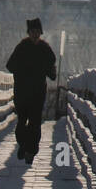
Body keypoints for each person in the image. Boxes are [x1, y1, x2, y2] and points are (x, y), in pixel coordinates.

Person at [5, 18, 57, 164]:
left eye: (37, 32)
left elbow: (52, 71)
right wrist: (24, 71)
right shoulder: (21, 47)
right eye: (32, 32)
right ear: (28, 33)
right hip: (22, 92)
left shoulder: (45, 49)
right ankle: (23, 144)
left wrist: (49, 71)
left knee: (34, 123)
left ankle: (31, 151)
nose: (35, 35)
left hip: (38, 93)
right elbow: (10, 65)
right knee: (21, 122)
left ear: (40, 33)